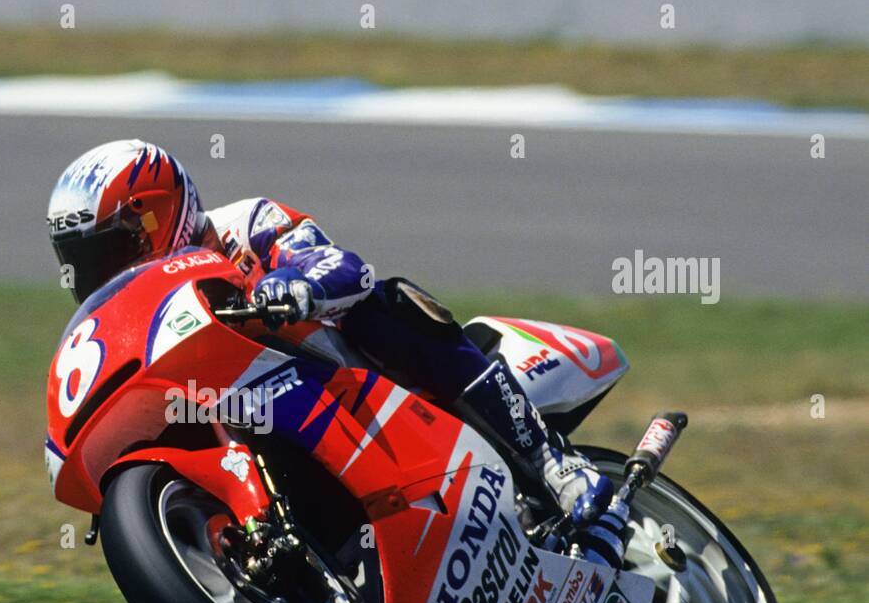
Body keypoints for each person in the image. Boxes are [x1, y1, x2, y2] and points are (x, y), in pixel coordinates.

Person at [46, 139, 614, 530]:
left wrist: (291, 284)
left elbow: (346, 268)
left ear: (161, 213)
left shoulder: (246, 223)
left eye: (114, 250)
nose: (104, 275)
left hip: (352, 386)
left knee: (386, 303)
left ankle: (549, 461)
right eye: (85, 264)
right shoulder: (131, 318)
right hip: (276, 428)